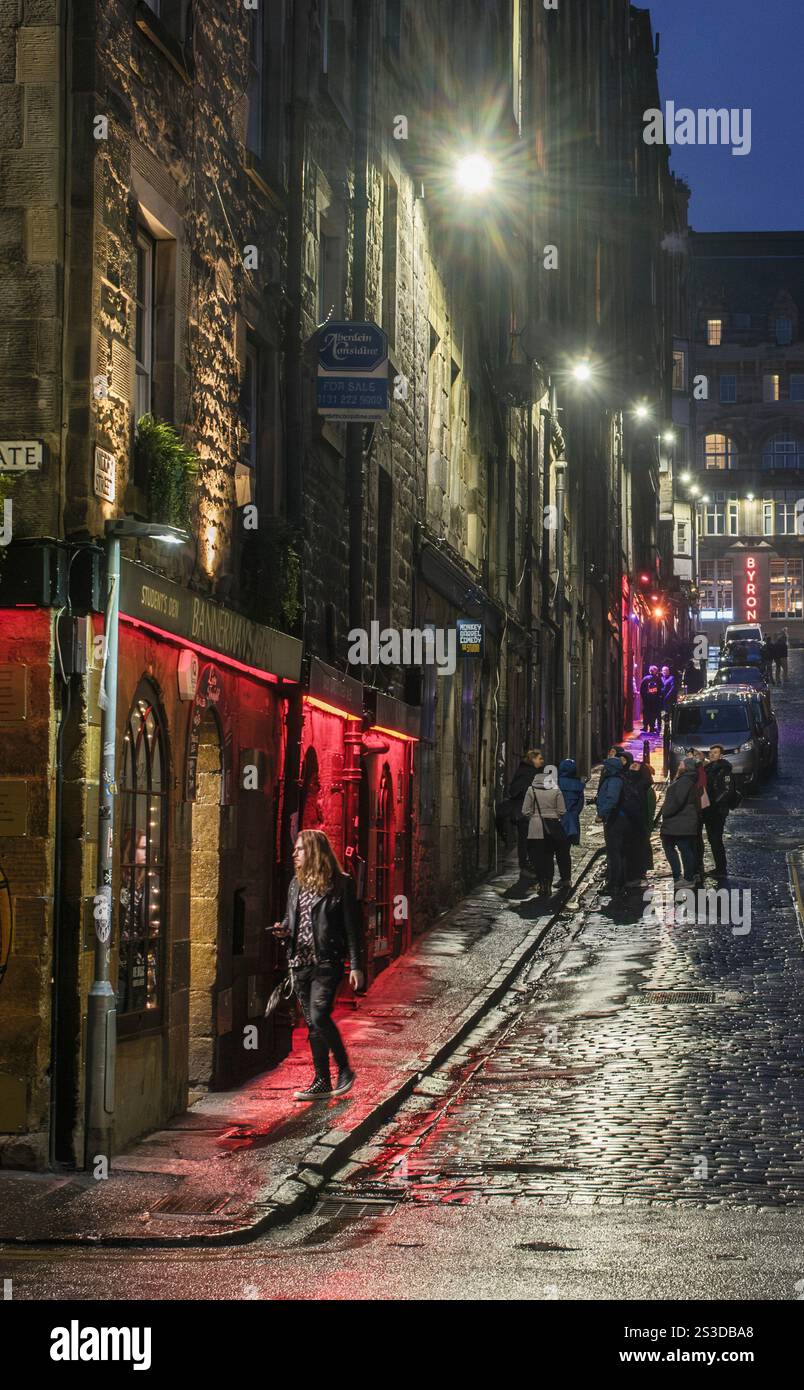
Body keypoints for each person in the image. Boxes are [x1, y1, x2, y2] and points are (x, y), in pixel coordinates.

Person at [272, 830, 364, 1102]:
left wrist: (356, 966)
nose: (294, 854)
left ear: (313, 851)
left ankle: (345, 1068)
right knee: (312, 1023)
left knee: (320, 1014)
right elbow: (293, 921)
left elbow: (352, 930)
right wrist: (283, 929)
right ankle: (322, 1080)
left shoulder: (341, 885)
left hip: (326, 962)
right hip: (299, 963)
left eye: (299, 849)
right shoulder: (295, 885)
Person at [522, 762, 570, 895]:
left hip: (535, 828)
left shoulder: (531, 790)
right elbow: (562, 810)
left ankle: (543, 884)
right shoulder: (555, 789)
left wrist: (534, 817)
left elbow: (525, 811)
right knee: (550, 855)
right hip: (553, 827)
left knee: (539, 857)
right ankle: (550, 884)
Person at [659, 758, 701, 888]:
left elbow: (677, 801)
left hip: (678, 822)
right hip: (683, 822)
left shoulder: (684, 781)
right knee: (684, 848)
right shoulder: (687, 780)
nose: (679, 765)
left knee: (676, 847)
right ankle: (687, 876)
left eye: (682, 763)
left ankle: (684, 878)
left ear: (687, 767)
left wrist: (665, 812)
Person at [500, 749, 543, 877]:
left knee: (527, 840)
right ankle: (526, 867)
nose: (541, 761)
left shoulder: (526, 771)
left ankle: (528, 866)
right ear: (533, 759)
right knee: (527, 841)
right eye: (539, 758)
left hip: (527, 813)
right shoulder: (528, 773)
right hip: (526, 813)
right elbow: (518, 791)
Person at [596, 754, 629, 895]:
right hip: (617, 818)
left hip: (615, 819)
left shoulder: (614, 781)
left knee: (614, 853)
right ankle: (618, 882)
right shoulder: (617, 779)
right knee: (617, 852)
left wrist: (601, 814)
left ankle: (614, 884)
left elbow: (612, 799)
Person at [702, 744, 737, 880]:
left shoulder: (724, 770)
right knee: (712, 839)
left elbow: (728, 790)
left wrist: (715, 804)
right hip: (709, 810)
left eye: (715, 753)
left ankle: (721, 868)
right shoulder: (708, 769)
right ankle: (719, 867)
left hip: (718, 810)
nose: (712, 755)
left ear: (721, 755)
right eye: (711, 753)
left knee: (716, 839)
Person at [624, 760, 655, 885]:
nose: (632, 766)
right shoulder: (631, 783)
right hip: (633, 823)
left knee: (638, 850)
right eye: (632, 764)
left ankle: (638, 876)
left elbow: (649, 810)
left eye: (635, 766)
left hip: (639, 824)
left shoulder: (645, 788)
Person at [558, 757, 587, 845]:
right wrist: (575, 813)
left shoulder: (557, 782)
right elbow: (580, 802)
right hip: (573, 817)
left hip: (560, 818)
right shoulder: (578, 784)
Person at [639, 665, 662, 734]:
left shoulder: (645, 679)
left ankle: (645, 727)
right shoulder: (658, 679)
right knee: (653, 714)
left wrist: (644, 698)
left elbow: (642, 690)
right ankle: (652, 727)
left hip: (647, 700)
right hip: (654, 700)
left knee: (646, 713)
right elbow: (660, 689)